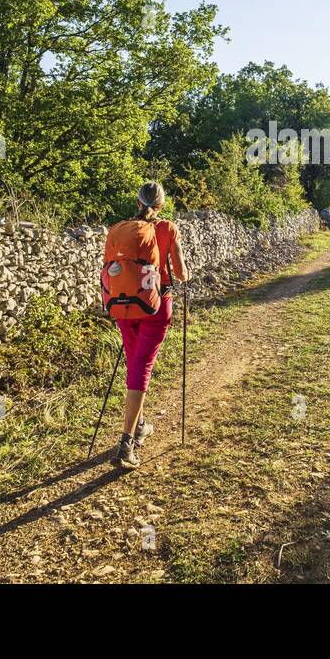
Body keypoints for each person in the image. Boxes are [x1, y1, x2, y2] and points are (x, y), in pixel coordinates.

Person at [112, 181, 187, 469]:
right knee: (141, 368)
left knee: (135, 365)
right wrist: (184, 274)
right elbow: (180, 273)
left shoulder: (123, 229)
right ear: (162, 204)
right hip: (155, 307)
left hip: (123, 306)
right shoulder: (167, 228)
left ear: (137, 203)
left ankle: (140, 424)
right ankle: (127, 443)